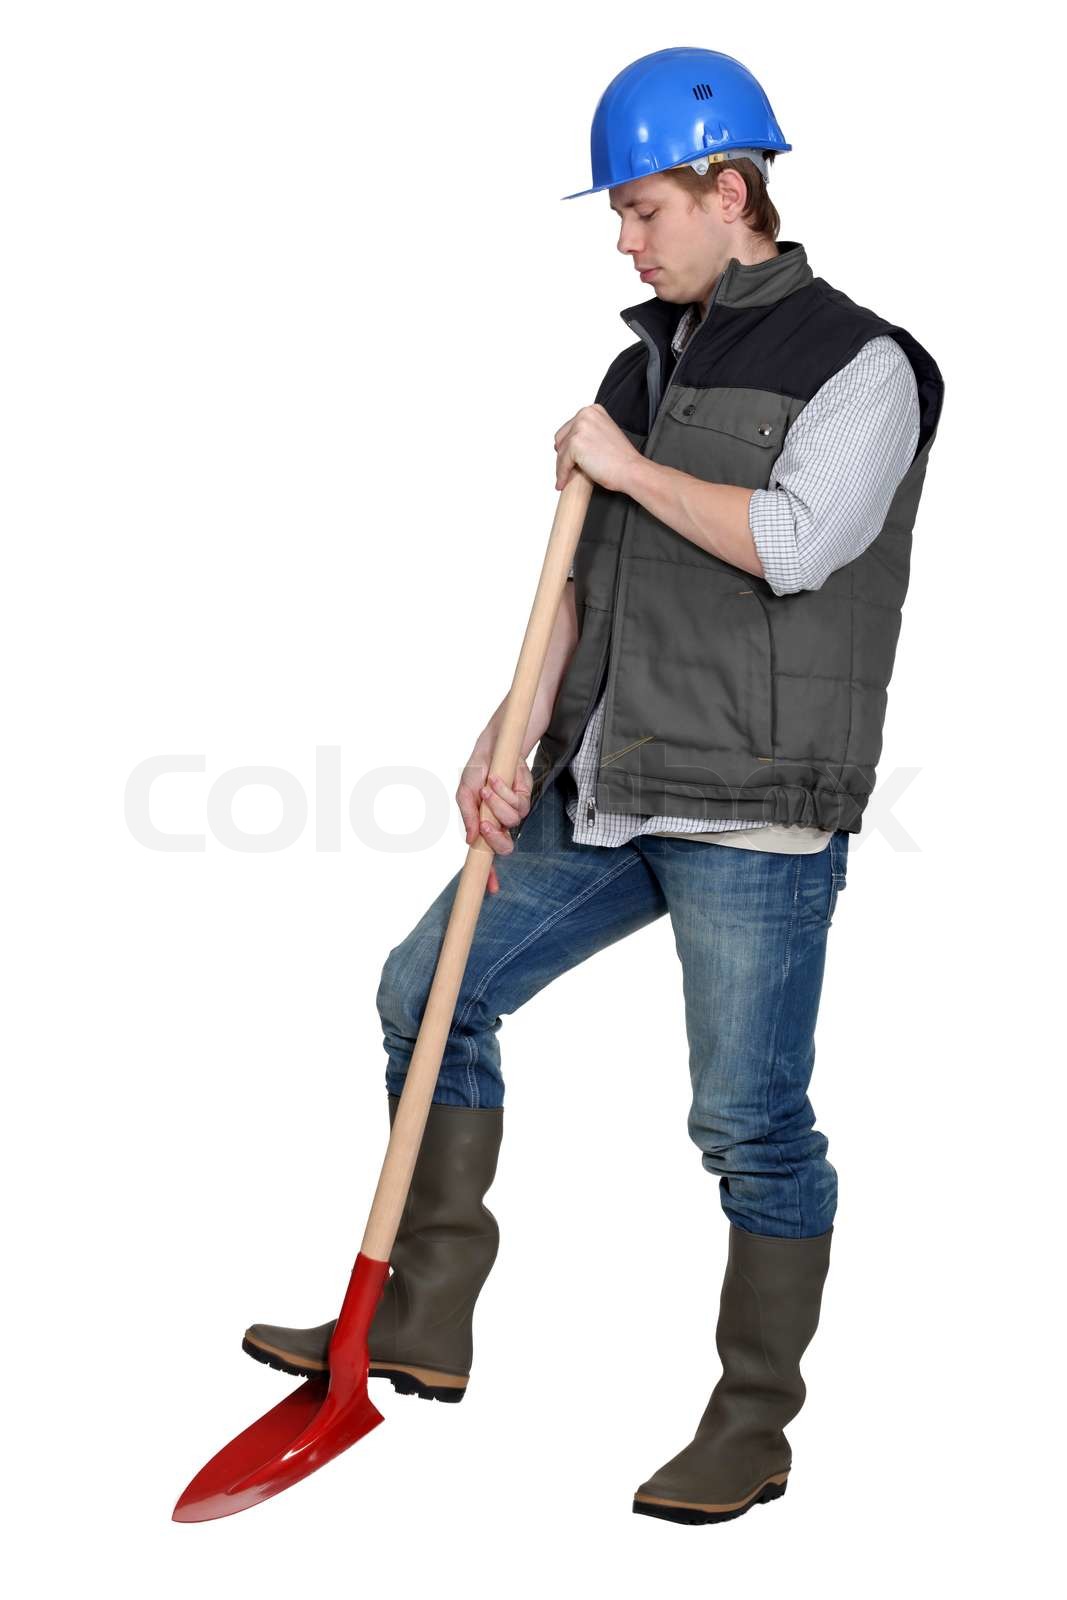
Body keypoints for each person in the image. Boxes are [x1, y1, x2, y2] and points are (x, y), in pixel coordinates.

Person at [242, 46, 944, 1524]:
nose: (623, 242)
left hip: (754, 804)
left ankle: (754, 1422)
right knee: (427, 986)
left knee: (749, 1123)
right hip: (607, 780)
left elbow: (798, 541)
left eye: (640, 211)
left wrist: (623, 467)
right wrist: (509, 729)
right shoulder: (647, 363)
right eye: (620, 218)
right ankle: (415, 1320)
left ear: (729, 189)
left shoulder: (864, 361)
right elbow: (583, 584)